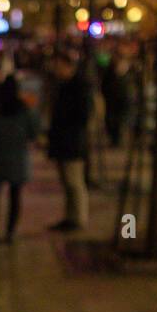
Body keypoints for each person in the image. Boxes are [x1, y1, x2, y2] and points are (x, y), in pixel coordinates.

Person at [0, 75, 40, 243]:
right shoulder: (25, 110)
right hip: (18, 159)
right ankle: (10, 232)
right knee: (14, 196)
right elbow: (34, 132)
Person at [46, 50, 92, 231]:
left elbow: (82, 116)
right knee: (68, 183)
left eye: (58, 66)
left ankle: (78, 218)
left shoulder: (79, 87)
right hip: (64, 141)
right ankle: (70, 216)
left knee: (74, 182)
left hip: (73, 142)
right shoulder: (65, 86)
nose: (55, 70)